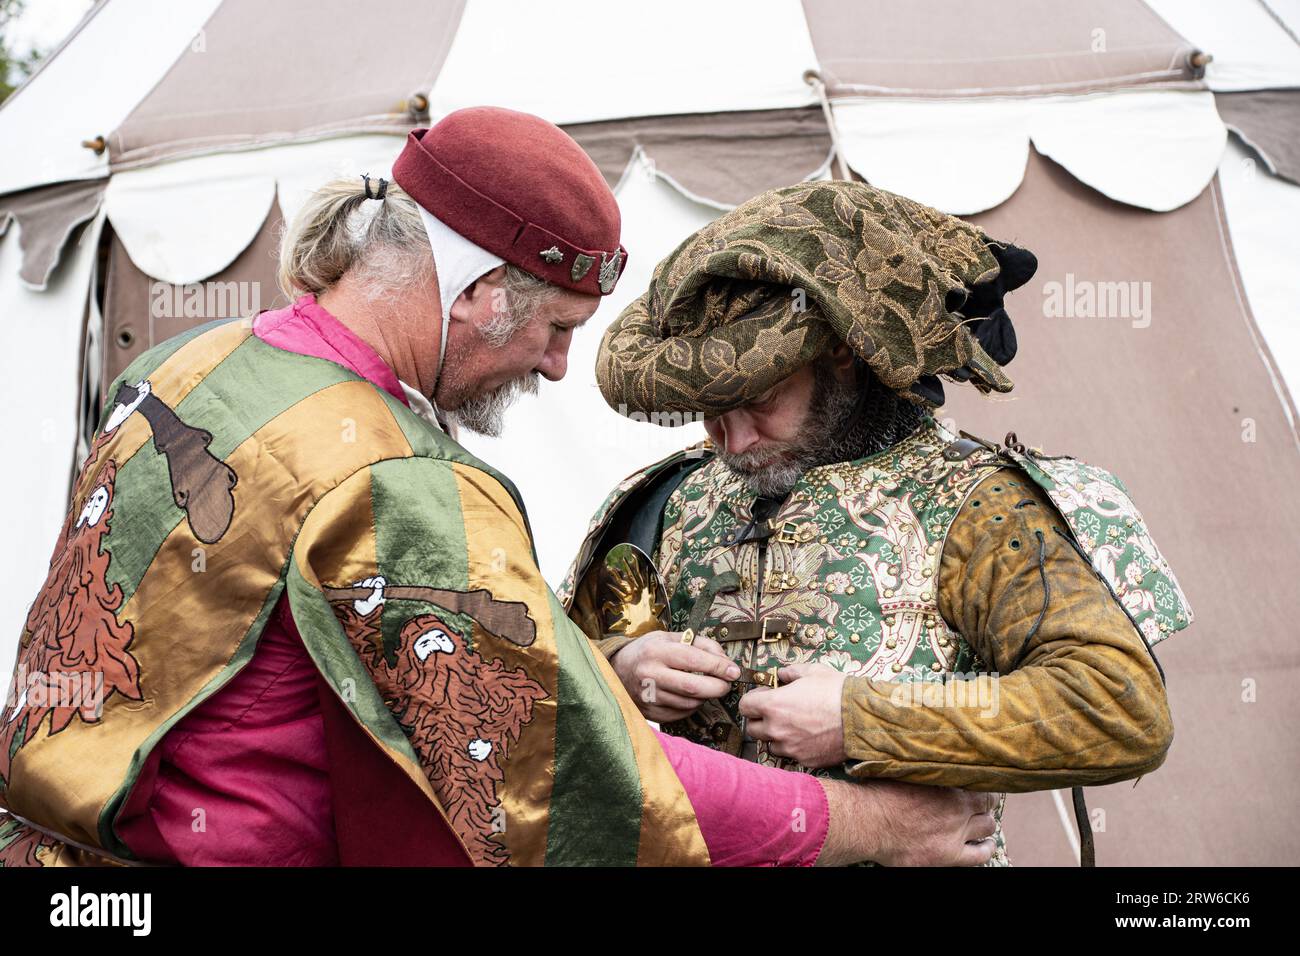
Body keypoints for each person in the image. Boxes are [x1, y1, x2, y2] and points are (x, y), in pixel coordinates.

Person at [0, 109, 1000, 868]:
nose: (562, 366)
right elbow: (568, 770)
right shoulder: (391, 475)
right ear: (477, 293)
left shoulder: (188, 366)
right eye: (557, 328)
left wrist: (606, 664)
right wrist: (878, 821)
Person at [563, 180, 1192, 865]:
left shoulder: (980, 504)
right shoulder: (670, 501)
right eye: (710, 412)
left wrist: (861, 721)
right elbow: (536, 704)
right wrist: (622, 669)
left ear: (841, 353)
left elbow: (1119, 709)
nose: (734, 441)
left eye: (763, 401)